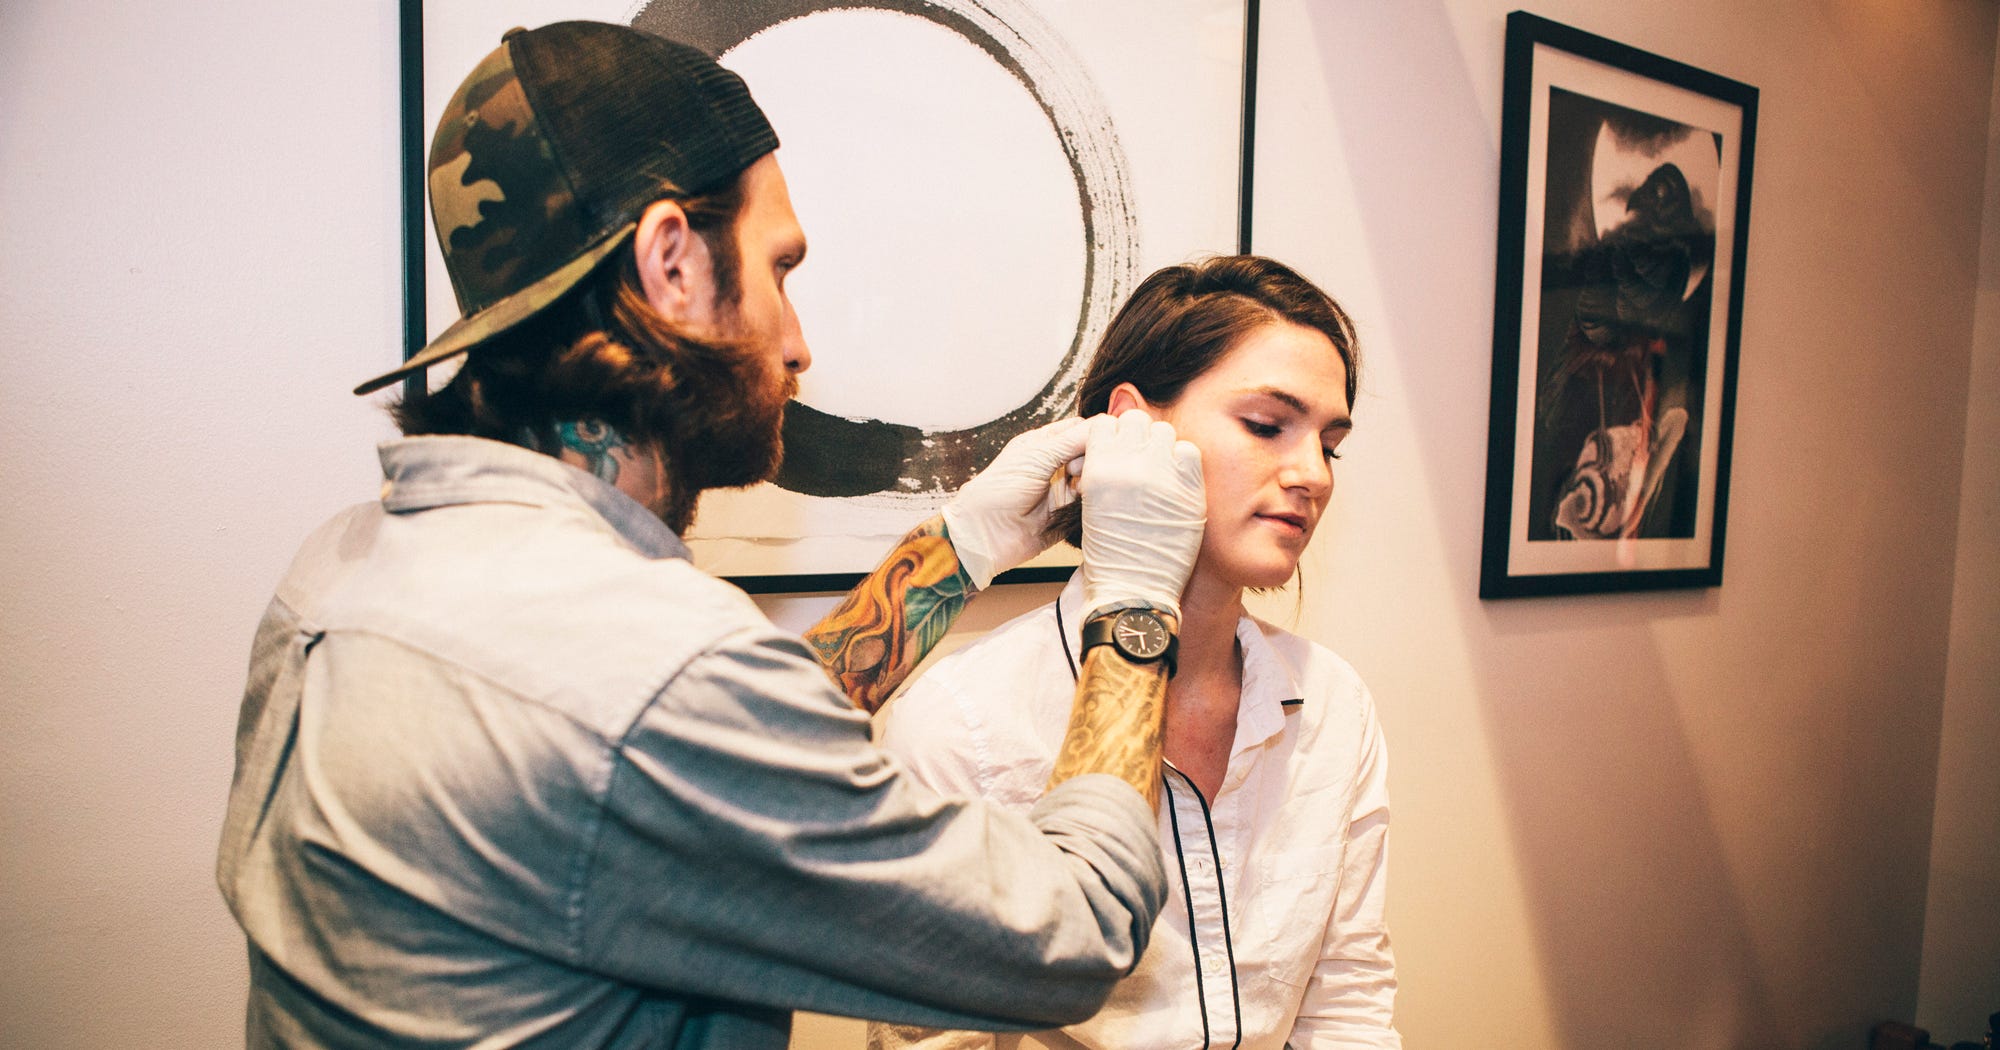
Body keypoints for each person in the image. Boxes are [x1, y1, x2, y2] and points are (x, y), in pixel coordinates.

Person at [214, 21, 1212, 1049]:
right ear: (673, 263)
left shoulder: (338, 569)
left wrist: (957, 550)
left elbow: (706, 759)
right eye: (779, 269)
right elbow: (1076, 932)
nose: (798, 345)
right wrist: (1133, 603)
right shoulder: (657, 674)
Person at [872, 256, 1402, 1049]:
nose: (1312, 475)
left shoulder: (1332, 705)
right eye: (1267, 426)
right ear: (1130, 428)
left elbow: (1347, 1002)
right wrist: (964, 544)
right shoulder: (964, 726)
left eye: (1331, 444)